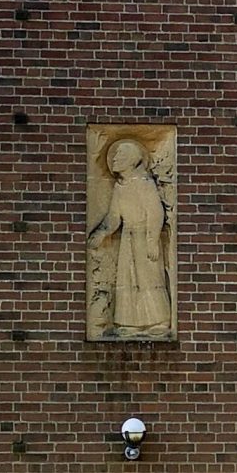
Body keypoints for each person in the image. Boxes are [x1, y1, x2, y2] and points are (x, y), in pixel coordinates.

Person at [88, 137, 172, 336]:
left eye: (120, 155)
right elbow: (114, 217)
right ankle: (130, 322)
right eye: (115, 155)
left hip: (144, 236)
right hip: (127, 236)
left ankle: (158, 320)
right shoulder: (120, 187)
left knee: (148, 279)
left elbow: (156, 212)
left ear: (132, 160)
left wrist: (152, 241)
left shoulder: (144, 184)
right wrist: (101, 232)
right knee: (128, 278)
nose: (115, 158)